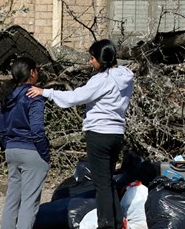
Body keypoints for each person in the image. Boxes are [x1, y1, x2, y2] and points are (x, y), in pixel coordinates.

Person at [29, 39, 134, 229]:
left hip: (99, 133)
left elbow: (75, 97)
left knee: (101, 184)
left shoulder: (102, 80)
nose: (90, 62)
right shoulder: (125, 76)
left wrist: (46, 92)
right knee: (107, 180)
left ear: (102, 60)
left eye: (92, 58)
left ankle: (106, 225)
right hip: (116, 133)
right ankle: (117, 222)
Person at [0, 57, 50, 229]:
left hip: (12, 150)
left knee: (12, 200)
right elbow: (37, 130)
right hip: (32, 151)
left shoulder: (8, 95)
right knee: (29, 202)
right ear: (32, 73)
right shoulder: (34, 96)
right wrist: (44, 153)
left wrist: (9, 146)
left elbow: (0, 129)